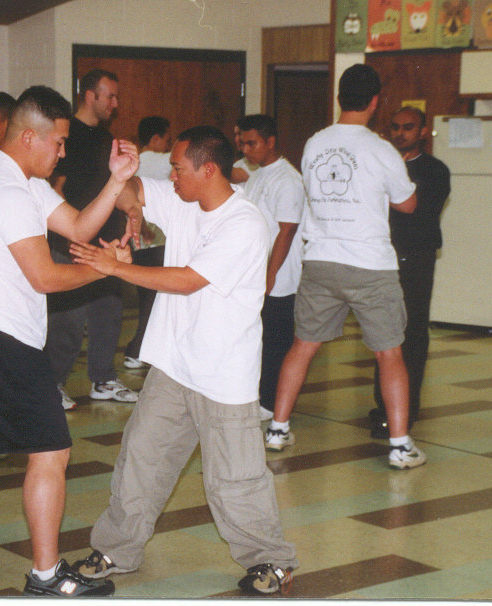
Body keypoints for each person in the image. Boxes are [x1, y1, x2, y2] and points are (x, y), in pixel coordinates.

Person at [0, 85, 139, 597]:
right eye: (58, 143)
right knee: (52, 452)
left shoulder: (10, 176)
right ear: (32, 137)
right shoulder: (9, 194)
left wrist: (116, 181)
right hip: (2, 340)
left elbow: (79, 225)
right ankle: (45, 576)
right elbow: (46, 278)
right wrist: (104, 270)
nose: (62, 152)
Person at [69, 126, 299, 595]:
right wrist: (126, 189)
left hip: (223, 375)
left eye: (177, 168)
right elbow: (131, 193)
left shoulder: (245, 223)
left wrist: (115, 267)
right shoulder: (184, 201)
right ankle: (117, 549)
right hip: (174, 366)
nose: (170, 176)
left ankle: (271, 561)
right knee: (141, 459)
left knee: (235, 480)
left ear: (207, 169)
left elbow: (188, 280)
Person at [264, 64, 428, 470]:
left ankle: (278, 430)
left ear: (339, 98)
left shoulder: (315, 143)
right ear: (375, 101)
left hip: (319, 261)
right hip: (370, 266)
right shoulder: (380, 149)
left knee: (303, 345)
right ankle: (400, 446)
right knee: (390, 354)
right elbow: (408, 203)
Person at [46, 69, 138, 410]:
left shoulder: (106, 138)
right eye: (109, 96)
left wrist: (133, 213)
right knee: (67, 318)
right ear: (89, 95)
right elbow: (53, 189)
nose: (114, 103)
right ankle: (52, 383)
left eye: (116, 96)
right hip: (71, 241)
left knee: (108, 312)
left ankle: (103, 378)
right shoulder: (67, 135)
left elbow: (119, 186)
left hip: (107, 243)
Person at [369, 106, 451, 438]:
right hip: (382, 258)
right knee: (383, 334)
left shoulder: (434, 171)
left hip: (416, 258)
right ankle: (384, 407)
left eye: (408, 127)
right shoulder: (381, 164)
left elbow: (420, 212)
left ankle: (407, 409)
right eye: (395, 126)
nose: (400, 133)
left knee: (412, 333)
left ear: (422, 131)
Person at [238, 115, 305, 422]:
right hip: (256, 271)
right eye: (243, 143)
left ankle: (269, 402)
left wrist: (270, 274)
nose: (246, 149)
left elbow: (287, 231)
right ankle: (258, 395)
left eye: (252, 143)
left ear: (270, 142)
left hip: (280, 277)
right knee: (258, 339)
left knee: (277, 340)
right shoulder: (257, 174)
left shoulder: (287, 179)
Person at [122, 116, 171, 370]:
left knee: (147, 300)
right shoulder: (160, 160)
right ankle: (137, 350)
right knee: (153, 301)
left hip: (137, 243)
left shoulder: (134, 163)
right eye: (166, 139)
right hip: (155, 244)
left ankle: (139, 349)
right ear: (155, 139)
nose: (167, 145)